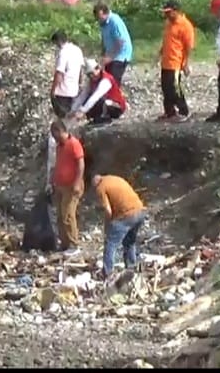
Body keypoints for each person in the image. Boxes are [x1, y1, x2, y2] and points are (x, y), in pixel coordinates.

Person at [93, 173, 147, 278]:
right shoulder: (115, 178)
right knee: (129, 241)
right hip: (140, 211)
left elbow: (108, 211)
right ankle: (131, 267)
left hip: (127, 215)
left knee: (110, 244)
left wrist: (107, 226)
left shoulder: (100, 187)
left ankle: (107, 273)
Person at [47, 120, 85, 254]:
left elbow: (81, 164)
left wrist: (77, 182)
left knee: (68, 214)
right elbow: (57, 164)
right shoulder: (59, 146)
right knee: (59, 216)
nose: (54, 137)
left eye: (54, 134)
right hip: (60, 185)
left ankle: (74, 244)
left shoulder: (74, 144)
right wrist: (52, 181)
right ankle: (64, 244)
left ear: (60, 131)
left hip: (72, 186)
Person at [158, 0, 195, 122]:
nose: (167, 15)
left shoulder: (185, 25)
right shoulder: (168, 23)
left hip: (176, 62)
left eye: (169, 12)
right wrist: (160, 52)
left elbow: (188, 46)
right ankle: (169, 112)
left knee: (175, 87)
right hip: (166, 61)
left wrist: (185, 63)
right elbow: (167, 40)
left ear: (176, 11)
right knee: (166, 87)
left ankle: (183, 111)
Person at [71, 58, 127, 125]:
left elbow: (95, 97)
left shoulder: (106, 80)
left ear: (98, 69)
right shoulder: (91, 81)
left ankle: (105, 119)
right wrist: (73, 110)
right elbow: (83, 96)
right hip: (103, 104)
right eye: (89, 75)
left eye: (92, 73)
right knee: (89, 99)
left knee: (101, 100)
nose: (91, 76)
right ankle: (94, 118)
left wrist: (82, 111)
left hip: (117, 107)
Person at [93, 2, 133, 84]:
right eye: (97, 18)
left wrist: (109, 58)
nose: (98, 20)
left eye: (99, 17)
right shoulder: (103, 23)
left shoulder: (114, 21)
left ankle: (114, 96)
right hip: (111, 53)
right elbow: (104, 40)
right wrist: (103, 55)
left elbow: (120, 43)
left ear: (105, 13)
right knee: (105, 79)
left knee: (113, 81)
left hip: (120, 55)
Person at [50, 30, 85, 118]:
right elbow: (81, 70)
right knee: (72, 115)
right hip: (74, 90)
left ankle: (63, 130)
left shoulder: (63, 53)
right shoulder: (77, 50)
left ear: (58, 41)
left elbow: (59, 73)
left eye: (56, 44)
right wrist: (80, 84)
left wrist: (53, 90)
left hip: (63, 91)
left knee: (63, 117)